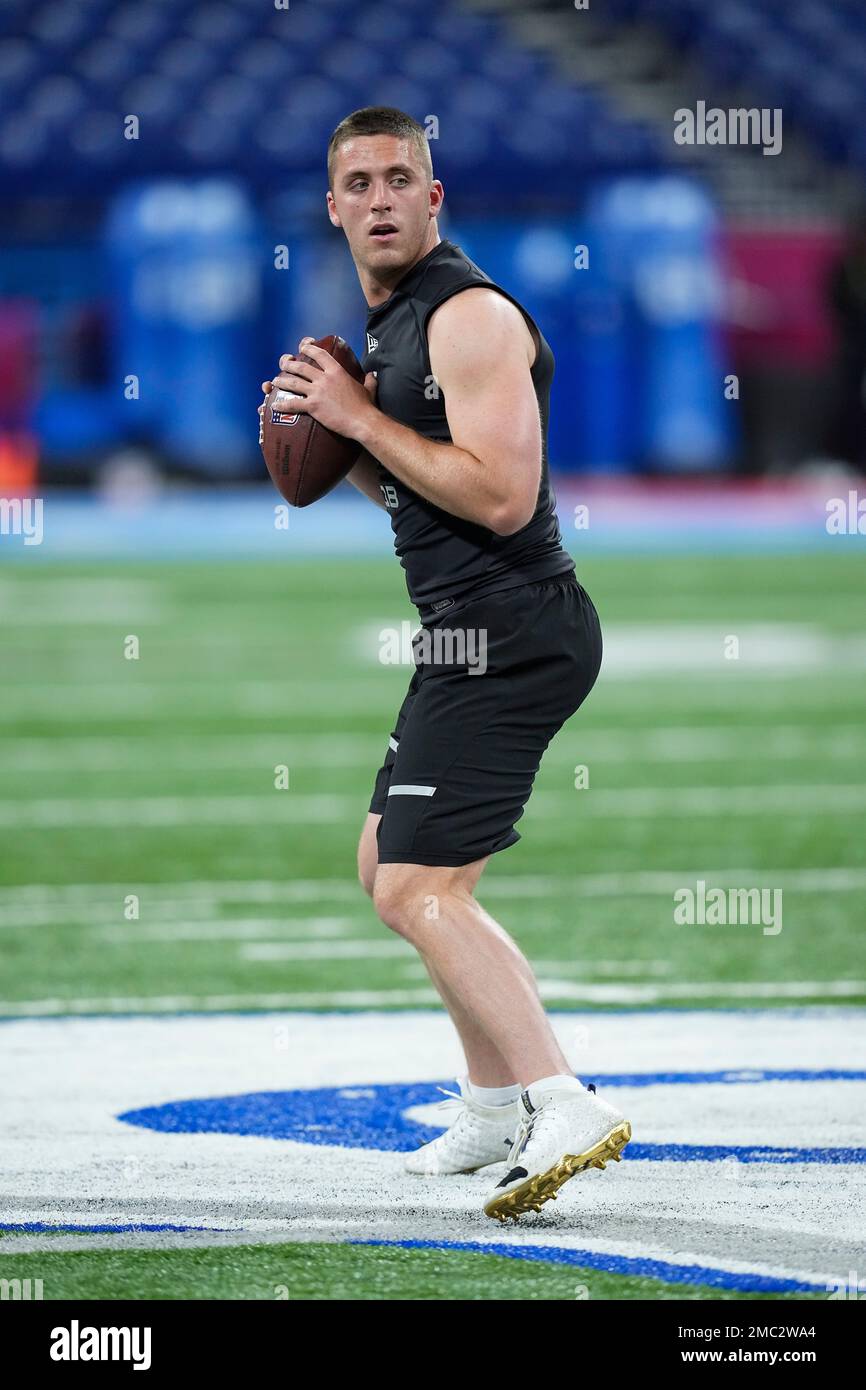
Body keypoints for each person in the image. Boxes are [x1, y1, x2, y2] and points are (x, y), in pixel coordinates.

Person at [261, 107, 630, 1222]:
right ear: (332, 208)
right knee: (392, 868)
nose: (378, 199)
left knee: (422, 887)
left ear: (434, 196)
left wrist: (358, 424)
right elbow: (432, 487)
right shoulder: (390, 325)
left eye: (397, 179)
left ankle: (557, 1097)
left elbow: (502, 495)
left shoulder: (464, 316)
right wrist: (344, 432)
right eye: (357, 183)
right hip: (469, 627)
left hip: (512, 630)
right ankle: (485, 1106)